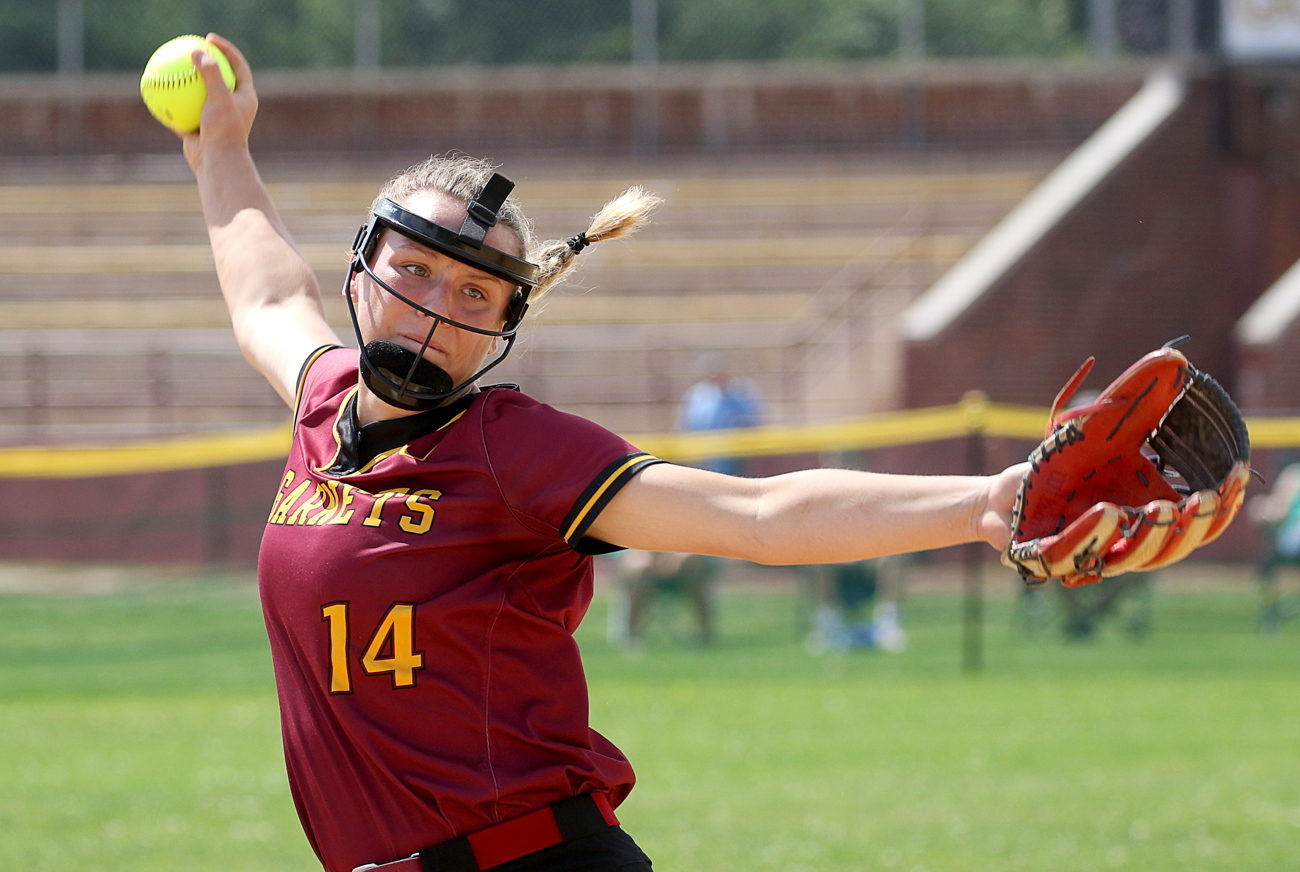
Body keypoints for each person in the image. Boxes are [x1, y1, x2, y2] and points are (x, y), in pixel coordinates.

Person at [180, 35, 1026, 872]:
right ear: (361, 272)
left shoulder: (510, 448)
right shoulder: (322, 402)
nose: (437, 309)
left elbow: (758, 516)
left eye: (475, 291)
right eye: (414, 269)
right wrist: (221, 147)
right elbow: (267, 294)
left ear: (501, 328)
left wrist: (984, 504)